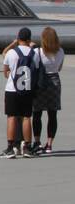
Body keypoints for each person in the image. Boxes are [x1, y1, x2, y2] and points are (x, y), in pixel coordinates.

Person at [0, 27, 40, 158]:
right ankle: (27, 147)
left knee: (11, 117)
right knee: (26, 117)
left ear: (18, 38)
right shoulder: (34, 53)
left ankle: (11, 147)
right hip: (27, 89)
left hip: (12, 89)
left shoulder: (11, 53)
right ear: (29, 39)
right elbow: (36, 70)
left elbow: (5, 72)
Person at [31, 26, 64, 154]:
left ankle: (37, 141)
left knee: (37, 113)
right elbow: (59, 68)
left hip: (40, 83)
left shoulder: (38, 51)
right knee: (52, 114)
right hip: (55, 82)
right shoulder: (60, 51)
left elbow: (34, 66)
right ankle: (49, 144)